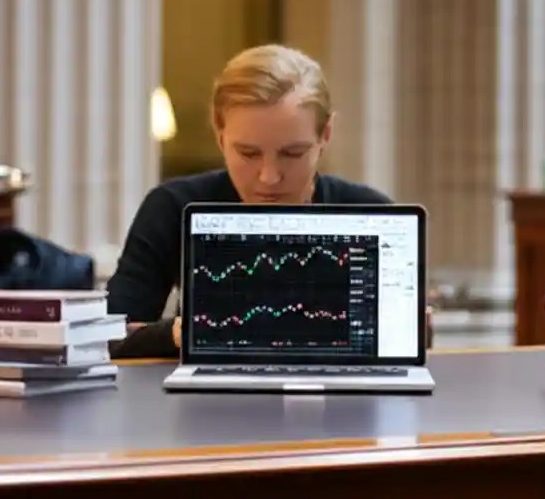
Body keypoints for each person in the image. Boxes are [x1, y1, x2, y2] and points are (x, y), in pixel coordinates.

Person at [107, 44, 391, 358]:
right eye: (248, 153)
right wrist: (184, 332)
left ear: (325, 135)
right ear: (220, 135)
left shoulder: (373, 214)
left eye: (292, 154)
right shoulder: (173, 207)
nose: (269, 177)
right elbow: (107, 336)